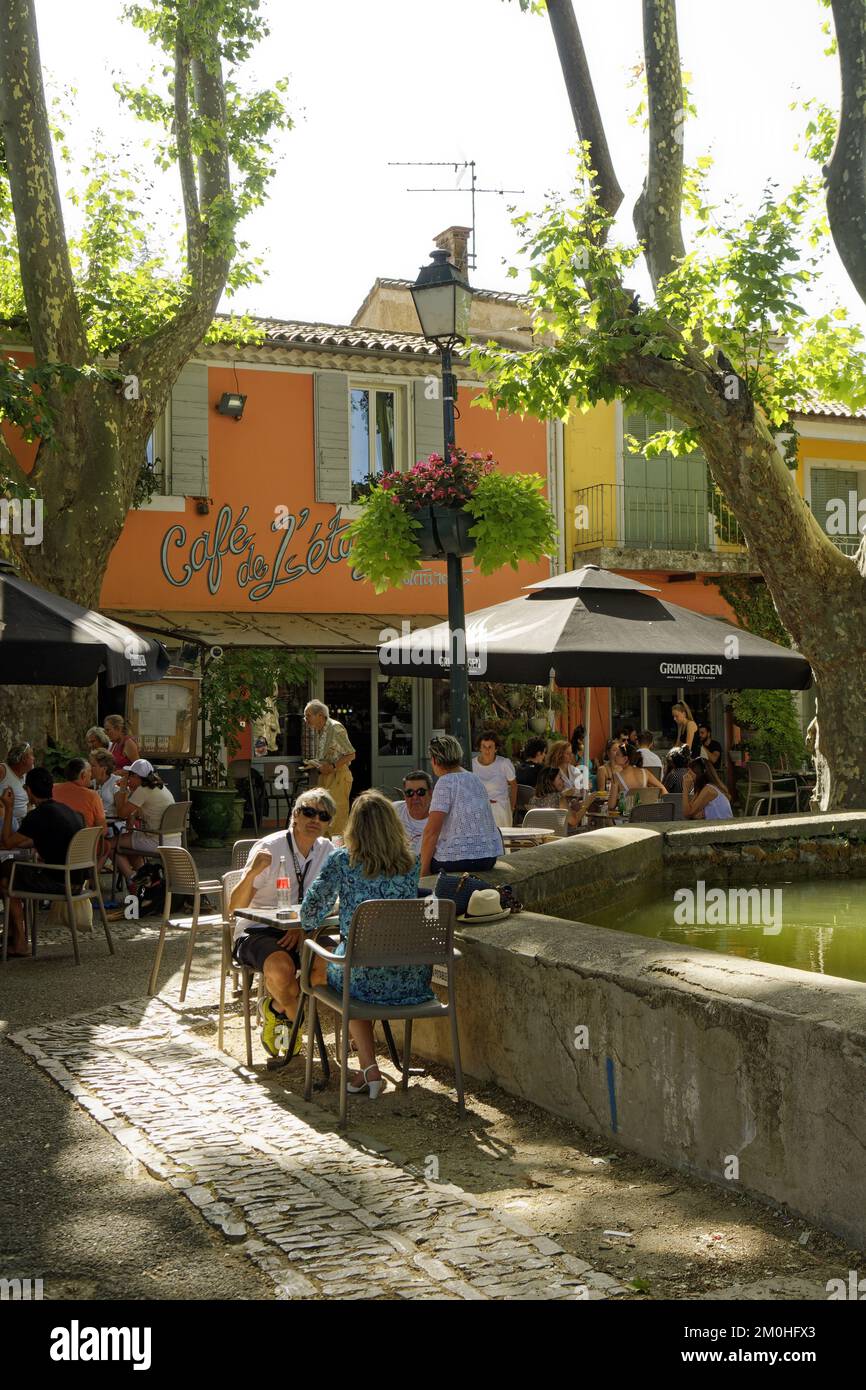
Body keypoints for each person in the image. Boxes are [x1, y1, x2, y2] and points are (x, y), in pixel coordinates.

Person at [300, 790, 424, 1099]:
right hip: (410, 979)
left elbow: (308, 915)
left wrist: (337, 904)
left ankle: (366, 1069)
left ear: (354, 826)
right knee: (358, 967)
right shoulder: (411, 862)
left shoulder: (343, 861)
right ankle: (368, 1071)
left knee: (335, 969)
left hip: (362, 975)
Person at [228, 788, 337, 1058]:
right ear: (295, 815)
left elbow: (332, 900)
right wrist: (253, 871)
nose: (315, 820)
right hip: (258, 928)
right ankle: (300, 1025)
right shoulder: (270, 847)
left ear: (328, 823)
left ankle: (278, 1008)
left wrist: (305, 927)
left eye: (323, 816)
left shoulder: (328, 851)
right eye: (309, 812)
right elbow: (235, 906)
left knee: (327, 966)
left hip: (308, 927)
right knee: (281, 968)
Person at [0, 767, 85, 957]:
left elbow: (7, 842)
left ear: (28, 791)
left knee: (6, 876)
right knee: (10, 874)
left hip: (59, 881)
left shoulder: (37, 816)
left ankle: (20, 940)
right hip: (77, 879)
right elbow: (37, 839)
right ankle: (13, 934)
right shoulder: (66, 811)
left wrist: (9, 808)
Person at [420, 735, 502, 877]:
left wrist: (423, 871)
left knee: (416, 860)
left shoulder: (445, 782)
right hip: (488, 857)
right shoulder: (474, 778)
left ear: (434, 760)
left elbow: (431, 831)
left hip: (459, 858)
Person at [113, 760, 176, 886]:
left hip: (156, 840)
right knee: (128, 842)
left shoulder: (143, 790)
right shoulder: (159, 787)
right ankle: (144, 879)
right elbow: (136, 812)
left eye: (130, 775)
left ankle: (133, 879)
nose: (128, 778)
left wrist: (123, 788)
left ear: (137, 776)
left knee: (108, 844)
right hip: (171, 839)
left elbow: (121, 813)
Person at [303, 700, 356, 835]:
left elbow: (351, 754)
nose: (306, 720)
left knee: (337, 819)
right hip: (325, 776)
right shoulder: (321, 730)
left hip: (338, 776)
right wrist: (314, 763)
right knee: (323, 815)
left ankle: (338, 852)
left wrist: (332, 766)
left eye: (308, 716)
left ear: (320, 715)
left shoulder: (335, 728)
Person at [472, 731, 517, 829]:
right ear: (480, 748)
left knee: (502, 841)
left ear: (496, 749)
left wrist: (511, 807)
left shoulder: (504, 764)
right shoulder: (472, 765)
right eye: (484, 746)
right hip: (479, 809)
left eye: (490, 747)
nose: (487, 750)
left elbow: (513, 785)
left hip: (500, 809)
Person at [606, 743, 667, 811]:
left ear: (625, 758)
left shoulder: (616, 777)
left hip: (625, 819)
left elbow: (611, 805)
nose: (615, 756)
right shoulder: (645, 773)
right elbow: (663, 789)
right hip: (644, 816)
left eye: (617, 754)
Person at [53, 758, 107, 829]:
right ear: (83, 775)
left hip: (56, 838)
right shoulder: (92, 796)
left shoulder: (52, 789)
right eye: (90, 771)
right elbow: (102, 830)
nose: (91, 775)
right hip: (83, 839)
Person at [392, 771, 432, 854]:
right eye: (409, 793)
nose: (415, 797)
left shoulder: (438, 818)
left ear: (430, 793)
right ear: (404, 795)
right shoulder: (394, 811)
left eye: (421, 792)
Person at [0, 741, 35, 831]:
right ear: (23, 759)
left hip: (24, 821)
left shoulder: (27, 775)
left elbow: (30, 802)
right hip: (8, 822)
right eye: (31, 755)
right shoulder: (3, 770)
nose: (34, 758)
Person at [89, 749, 122, 821]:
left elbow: (121, 812)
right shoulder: (90, 783)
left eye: (93, 766)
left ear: (104, 768)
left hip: (113, 825)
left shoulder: (116, 782)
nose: (90, 768)